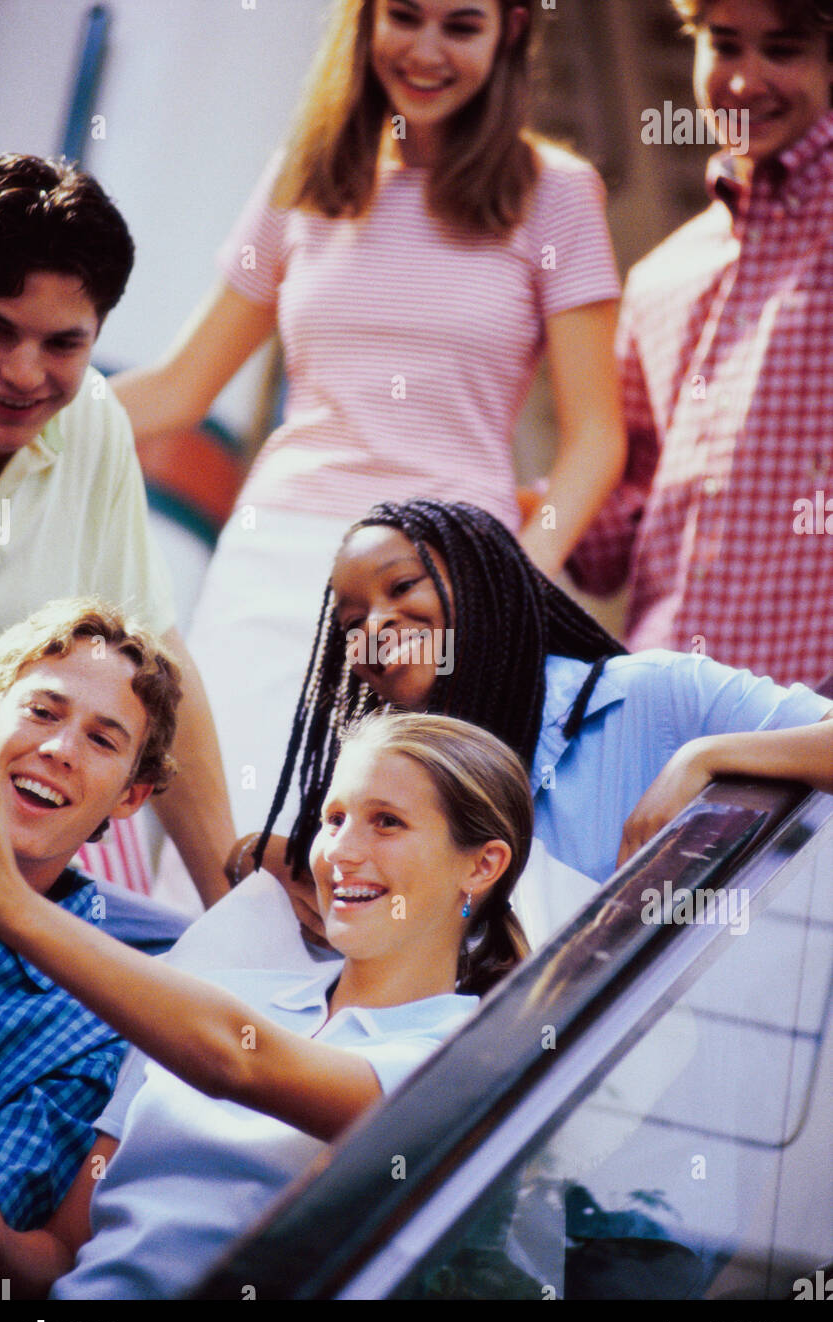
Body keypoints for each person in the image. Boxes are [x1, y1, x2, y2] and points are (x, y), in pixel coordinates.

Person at [112, 0, 625, 850]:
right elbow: (178, 386)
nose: (426, 51)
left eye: (461, 26)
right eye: (404, 17)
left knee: (399, 847)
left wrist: (508, 580)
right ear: (364, 21)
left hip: (447, 575)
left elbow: (595, 439)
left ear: (508, 39)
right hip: (276, 561)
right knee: (231, 838)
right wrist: (25, 412)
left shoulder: (557, 195)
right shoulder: (302, 180)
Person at [0, 711, 531, 1299]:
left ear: (482, 865)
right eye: (334, 819)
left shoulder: (473, 1051)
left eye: (386, 823)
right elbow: (65, 1253)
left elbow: (235, 1061)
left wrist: (10, 904)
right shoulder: (217, 994)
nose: (341, 850)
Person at [228, 499, 833, 913]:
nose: (377, 625)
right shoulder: (381, 789)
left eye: (403, 586)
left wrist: (703, 757)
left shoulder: (653, 693)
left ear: (478, 581)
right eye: (351, 621)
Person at [0, 153, 234, 904]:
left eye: (62, 345)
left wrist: (233, 910)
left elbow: (153, 665)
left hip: (41, 850)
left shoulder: (92, 420)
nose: (23, 373)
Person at [567, 0, 833, 687]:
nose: (745, 81)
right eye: (724, 46)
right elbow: (609, 537)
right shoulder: (661, 278)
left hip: (814, 718)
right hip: (671, 726)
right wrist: (501, 500)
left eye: (782, 49)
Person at [0, 597, 183, 1232]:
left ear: (130, 797)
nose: (61, 749)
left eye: (101, 739)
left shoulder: (99, 1017)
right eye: (41, 712)